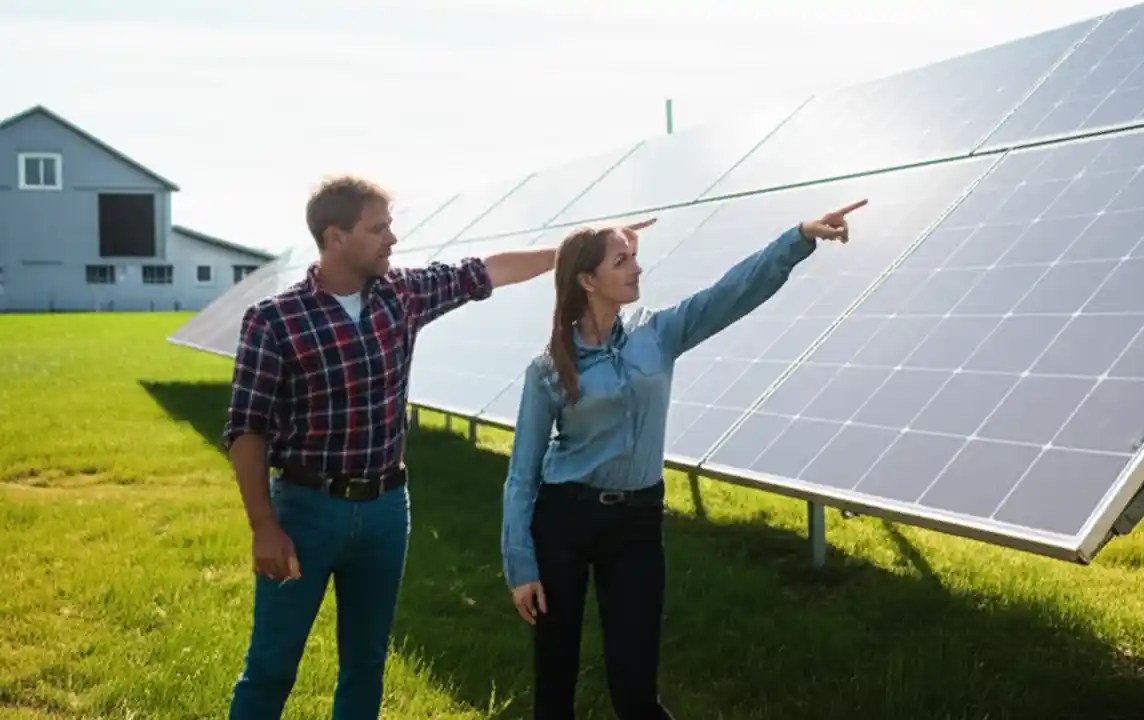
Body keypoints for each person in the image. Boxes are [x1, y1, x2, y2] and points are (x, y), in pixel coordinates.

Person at [500, 199, 869, 719]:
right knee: (555, 684)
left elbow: (730, 294)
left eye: (633, 256)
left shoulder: (659, 333)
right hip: (564, 521)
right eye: (621, 260)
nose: (637, 267)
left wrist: (799, 237)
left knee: (635, 687)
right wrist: (520, 565)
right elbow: (521, 473)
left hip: (637, 524)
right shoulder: (548, 368)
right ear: (587, 280)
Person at [220, 174, 558, 719]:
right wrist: (264, 525)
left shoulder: (400, 295)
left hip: (385, 512)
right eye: (379, 228)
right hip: (305, 512)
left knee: (366, 665)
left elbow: (487, 271)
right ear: (335, 237)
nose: (393, 239)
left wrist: (569, 252)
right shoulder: (275, 320)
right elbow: (246, 427)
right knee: (272, 666)